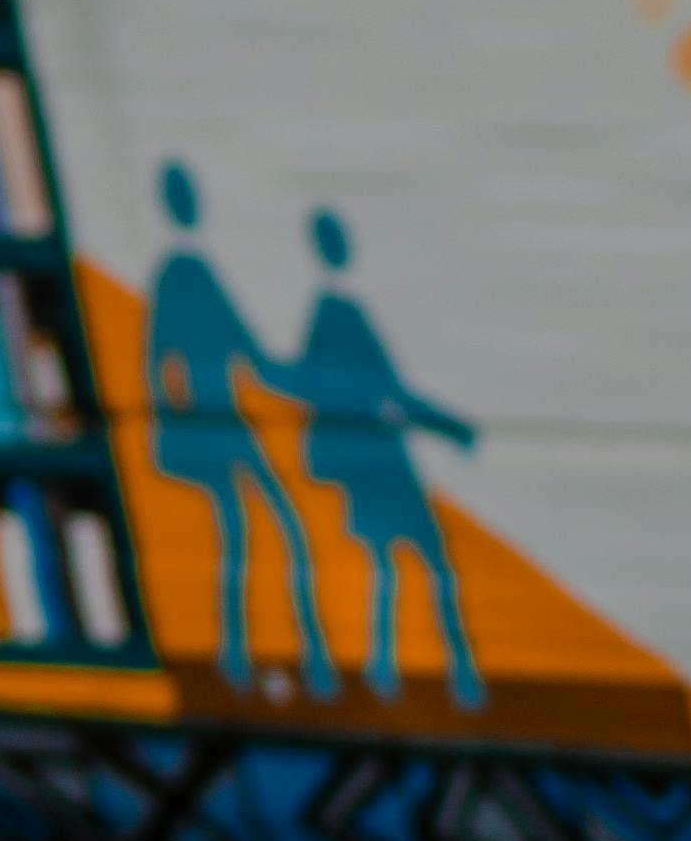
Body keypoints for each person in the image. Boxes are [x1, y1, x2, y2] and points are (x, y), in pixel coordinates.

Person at [142, 163, 338, 700]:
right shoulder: (179, 275)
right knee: (253, 535)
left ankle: (290, 652)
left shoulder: (199, 271)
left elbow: (251, 357)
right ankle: (248, 653)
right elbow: (159, 359)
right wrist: (173, 423)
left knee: (274, 533)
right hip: (208, 427)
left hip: (230, 422)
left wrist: (314, 386)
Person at [293, 208, 482, 708]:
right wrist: (451, 427)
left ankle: (389, 666)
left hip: (372, 461)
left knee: (392, 567)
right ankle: (455, 669)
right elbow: (390, 389)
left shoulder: (332, 313)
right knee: (430, 562)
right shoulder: (339, 315)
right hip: (379, 462)